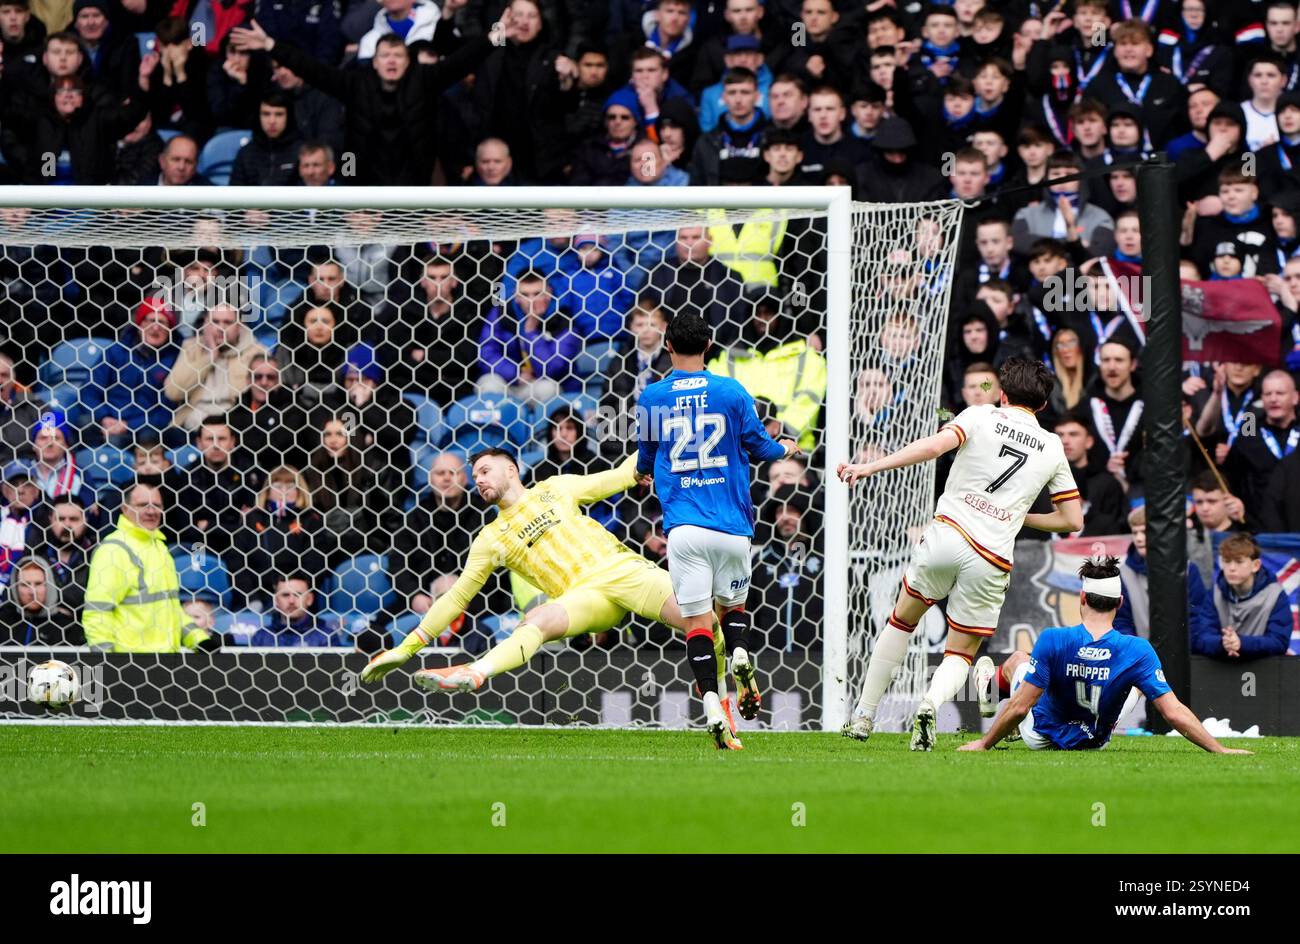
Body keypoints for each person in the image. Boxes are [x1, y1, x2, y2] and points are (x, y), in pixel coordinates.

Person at [359, 448, 737, 739]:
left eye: (485, 471)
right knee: (538, 620)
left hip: (625, 572)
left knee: (701, 623)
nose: (479, 480)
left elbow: (622, 475)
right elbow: (456, 598)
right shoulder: (490, 539)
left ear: (511, 470)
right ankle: (475, 672)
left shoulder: (556, 488)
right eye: (474, 477)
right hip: (585, 597)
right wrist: (405, 649)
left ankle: (722, 704)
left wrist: (660, 427)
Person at [838, 357, 1084, 751]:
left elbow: (935, 446)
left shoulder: (981, 415)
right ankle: (930, 705)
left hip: (947, 535)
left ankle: (864, 716)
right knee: (961, 651)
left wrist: (871, 466)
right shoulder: (1053, 446)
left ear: (1003, 393)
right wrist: (1020, 516)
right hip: (991, 555)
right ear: (1041, 406)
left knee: (901, 622)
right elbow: (1072, 519)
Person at [635, 312, 799, 748]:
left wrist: (641, 473)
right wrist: (788, 447)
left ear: (667, 346)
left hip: (685, 528)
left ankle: (711, 704)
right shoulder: (730, 390)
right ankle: (742, 651)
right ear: (709, 345)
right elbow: (761, 447)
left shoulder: (652, 396)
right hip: (732, 526)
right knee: (733, 610)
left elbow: (646, 458)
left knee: (697, 623)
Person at [960, 556, 1250, 754]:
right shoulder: (1138, 649)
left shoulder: (1053, 639)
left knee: (1018, 661)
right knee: (1138, 682)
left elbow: (1021, 707)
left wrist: (984, 744)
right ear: (1120, 603)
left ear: (1082, 598)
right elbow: (1173, 712)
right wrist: (1219, 749)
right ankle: (1008, 712)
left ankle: (990, 687)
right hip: (1093, 741)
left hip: (1040, 737)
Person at [83, 481, 219, 652]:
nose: (151, 511)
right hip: (130, 664)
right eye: (142, 505)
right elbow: (97, 612)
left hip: (166, 662)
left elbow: (170, 609)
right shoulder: (113, 550)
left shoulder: (159, 548)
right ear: (125, 509)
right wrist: (106, 662)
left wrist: (199, 640)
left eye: (156, 505)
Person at [164, 303, 268, 434]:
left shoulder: (256, 353)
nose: (221, 328)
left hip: (235, 425)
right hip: (191, 425)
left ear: (239, 326)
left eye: (227, 322)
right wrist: (210, 356)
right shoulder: (191, 347)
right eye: (215, 321)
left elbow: (263, 394)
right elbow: (173, 393)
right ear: (206, 323)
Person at [1196, 533, 1293, 660]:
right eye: (1226, 561)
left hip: (1264, 672)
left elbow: (1279, 642)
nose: (1231, 568)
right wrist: (1223, 643)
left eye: (1239, 562)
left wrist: (1242, 643)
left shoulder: (1275, 595)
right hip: (1222, 672)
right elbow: (1201, 638)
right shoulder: (1214, 593)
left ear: (1256, 565)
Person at [0, 557, 82, 645]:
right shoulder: (3, 622)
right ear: (15, 588)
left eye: (38, 584)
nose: (32, 591)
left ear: (49, 586)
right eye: (25, 585)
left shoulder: (67, 627)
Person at [250, 575, 346, 647]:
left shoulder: (326, 637)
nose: (291, 601)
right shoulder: (261, 637)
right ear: (275, 601)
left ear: (309, 599)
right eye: (285, 595)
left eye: (298, 594)